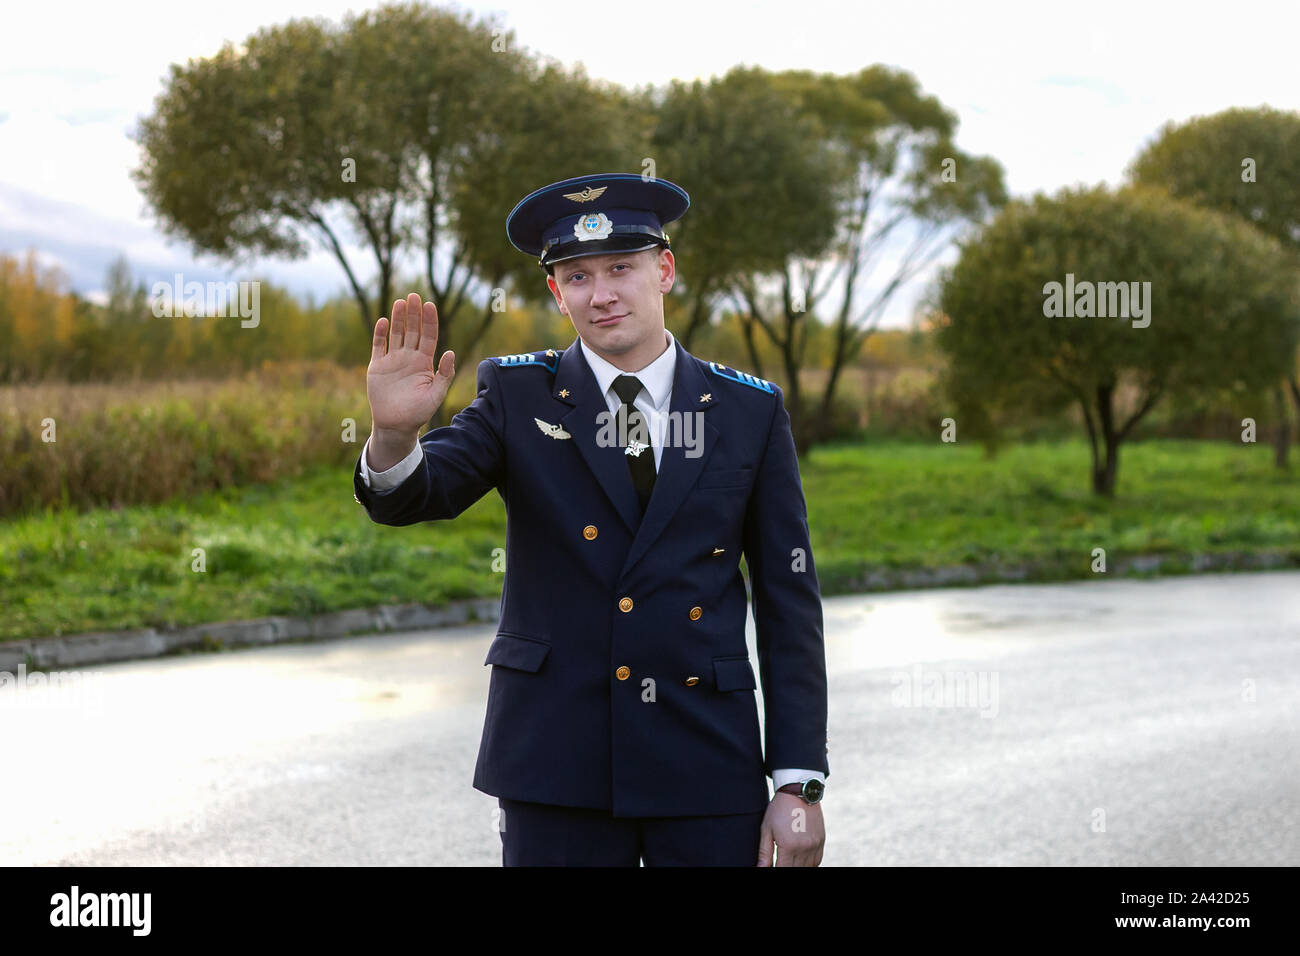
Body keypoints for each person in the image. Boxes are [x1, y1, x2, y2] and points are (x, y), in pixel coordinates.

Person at [353, 172, 828, 866]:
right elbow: (417, 494)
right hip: (556, 761)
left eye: (620, 268)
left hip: (704, 757)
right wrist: (394, 438)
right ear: (555, 291)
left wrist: (798, 782)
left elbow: (790, 605)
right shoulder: (521, 396)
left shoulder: (748, 411)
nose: (601, 294)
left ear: (663, 271)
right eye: (576, 276)